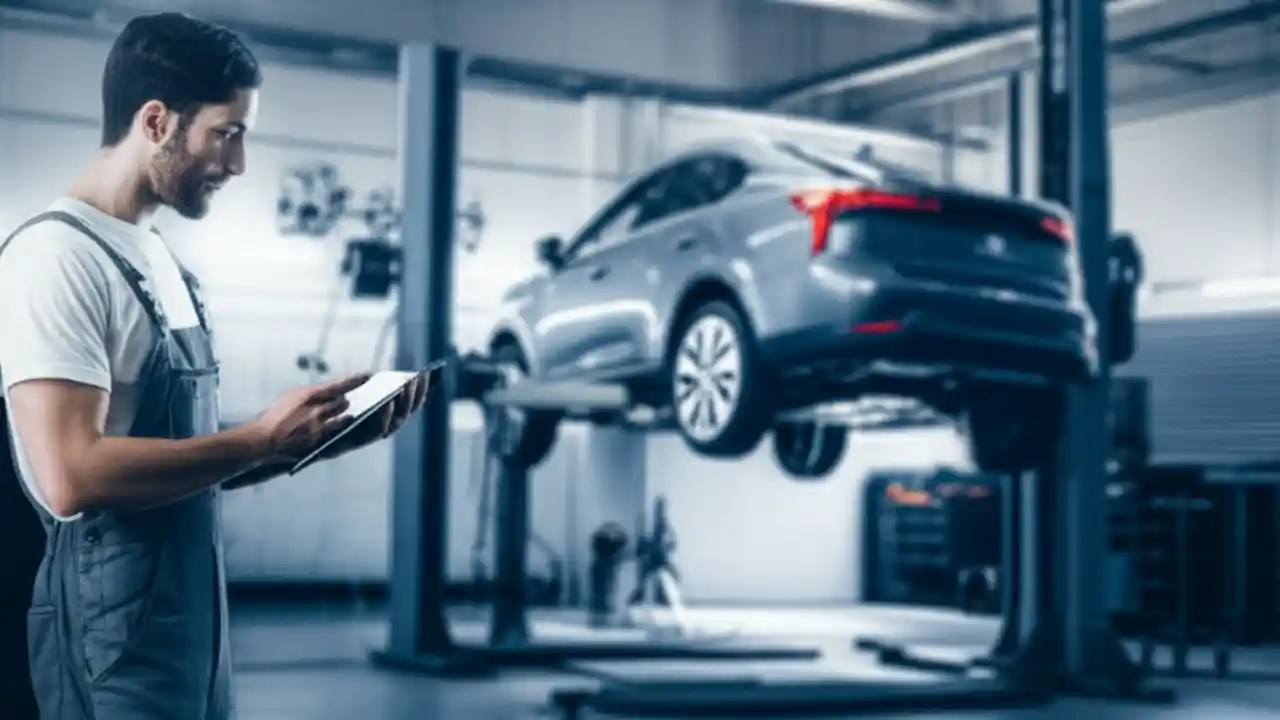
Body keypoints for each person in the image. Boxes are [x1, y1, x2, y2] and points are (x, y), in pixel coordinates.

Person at [0, 12, 428, 720]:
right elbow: (70, 474)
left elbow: (183, 456)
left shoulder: (162, 261)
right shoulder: (56, 259)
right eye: (227, 134)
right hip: (109, 640)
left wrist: (306, 439)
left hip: (193, 636)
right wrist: (259, 439)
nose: (237, 165)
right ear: (157, 121)